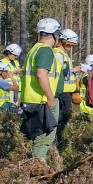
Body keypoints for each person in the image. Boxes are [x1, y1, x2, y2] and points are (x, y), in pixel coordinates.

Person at [20, 18, 63, 163]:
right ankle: (37, 169)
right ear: (55, 35)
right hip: (42, 100)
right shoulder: (45, 50)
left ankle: (35, 165)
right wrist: (50, 97)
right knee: (44, 137)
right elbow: (41, 74)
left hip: (32, 99)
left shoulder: (35, 49)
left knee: (38, 135)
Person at [54, 28, 81, 143]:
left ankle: (59, 137)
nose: (71, 47)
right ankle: (57, 137)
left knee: (65, 114)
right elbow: (57, 72)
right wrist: (73, 70)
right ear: (63, 41)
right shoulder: (57, 53)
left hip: (66, 91)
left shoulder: (64, 54)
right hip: (61, 91)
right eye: (70, 44)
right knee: (63, 114)